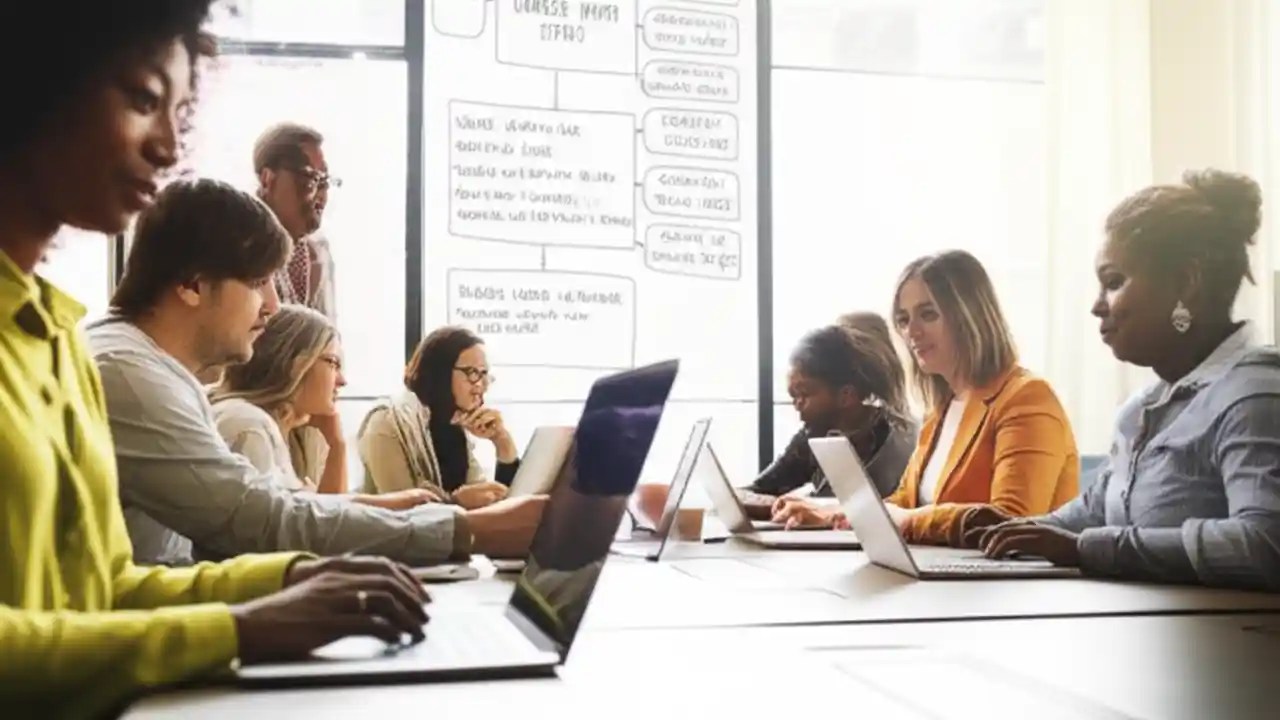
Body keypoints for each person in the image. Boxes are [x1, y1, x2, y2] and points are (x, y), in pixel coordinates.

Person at [0, 3, 429, 715]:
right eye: (143, 101)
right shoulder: (107, 358)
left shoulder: (54, 337)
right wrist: (241, 626)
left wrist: (294, 578)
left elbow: (107, 589)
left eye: (178, 112)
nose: (169, 147)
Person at [89, 178, 545, 567]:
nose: (271, 305)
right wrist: (467, 531)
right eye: (256, 283)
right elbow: (258, 523)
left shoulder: (149, 369)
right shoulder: (131, 375)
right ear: (191, 284)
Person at [967, 170, 1280, 591]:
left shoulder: (1254, 396)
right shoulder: (1143, 409)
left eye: (1114, 283)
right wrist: (1002, 532)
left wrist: (1090, 549)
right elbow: (1096, 512)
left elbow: (1264, 544)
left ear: (1187, 283)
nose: (1098, 306)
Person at [775, 250, 1079, 543]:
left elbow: (1010, 522)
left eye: (928, 314)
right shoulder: (942, 410)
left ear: (970, 317)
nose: (912, 332)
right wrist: (833, 514)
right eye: (904, 320)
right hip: (945, 584)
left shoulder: (1027, 398)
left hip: (1009, 590)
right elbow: (903, 503)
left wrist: (905, 521)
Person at [210, 305, 439, 510]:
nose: (342, 380)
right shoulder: (248, 426)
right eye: (333, 363)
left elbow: (324, 521)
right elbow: (286, 531)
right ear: (293, 363)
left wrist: (336, 446)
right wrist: (391, 505)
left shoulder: (273, 427)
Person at [738, 318, 917, 521]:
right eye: (793, 396)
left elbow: (881, 511)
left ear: (846, 396)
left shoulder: (897, 438)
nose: (797, 404)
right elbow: (753, 491)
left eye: (804, 394)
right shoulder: (813, 436)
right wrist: (781, 504)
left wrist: (808, 506)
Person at [358, 326, 519, 509]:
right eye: (473, 373)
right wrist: (455, 502)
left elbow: (500, 508)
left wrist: (502, 441)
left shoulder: (453, 426)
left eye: (484, 374)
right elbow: (402, 516)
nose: (482, 385)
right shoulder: (387, 422)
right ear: (440, 372)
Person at [255, 122, 337, 320]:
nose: (321, 197)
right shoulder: (242, 246)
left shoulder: (319, 253)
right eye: (310, 180)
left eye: (325, 183)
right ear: (268, 179)